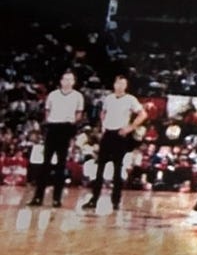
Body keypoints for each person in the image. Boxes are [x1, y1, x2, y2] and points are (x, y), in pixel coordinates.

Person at [82, 75, 147, 211]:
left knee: (118, 168)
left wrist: (130, 127)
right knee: (100, 167)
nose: (120, 86)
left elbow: (143, 114)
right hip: (108, 133)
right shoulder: (109, 98)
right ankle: (94, 199)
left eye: (123, 84)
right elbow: (103, 112)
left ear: (126, 86)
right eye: (118, 83)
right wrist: (103, 126)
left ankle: (115, 201)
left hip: (120, 134)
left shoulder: (130, 99)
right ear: (114, 84)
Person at [27, 70, 84, 207]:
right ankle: (38, 197)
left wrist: (71, 125)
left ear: (74, 82)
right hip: (53, 128)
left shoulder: (78, 96)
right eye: (65, 79)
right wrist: (51, 122)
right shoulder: (53, 95)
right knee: (45, 164)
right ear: (61, 81)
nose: (67, 82)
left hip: (66, 128)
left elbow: (79, 114)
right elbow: (47, 111)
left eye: (70, 79)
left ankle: (56, 199)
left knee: (61, 165)